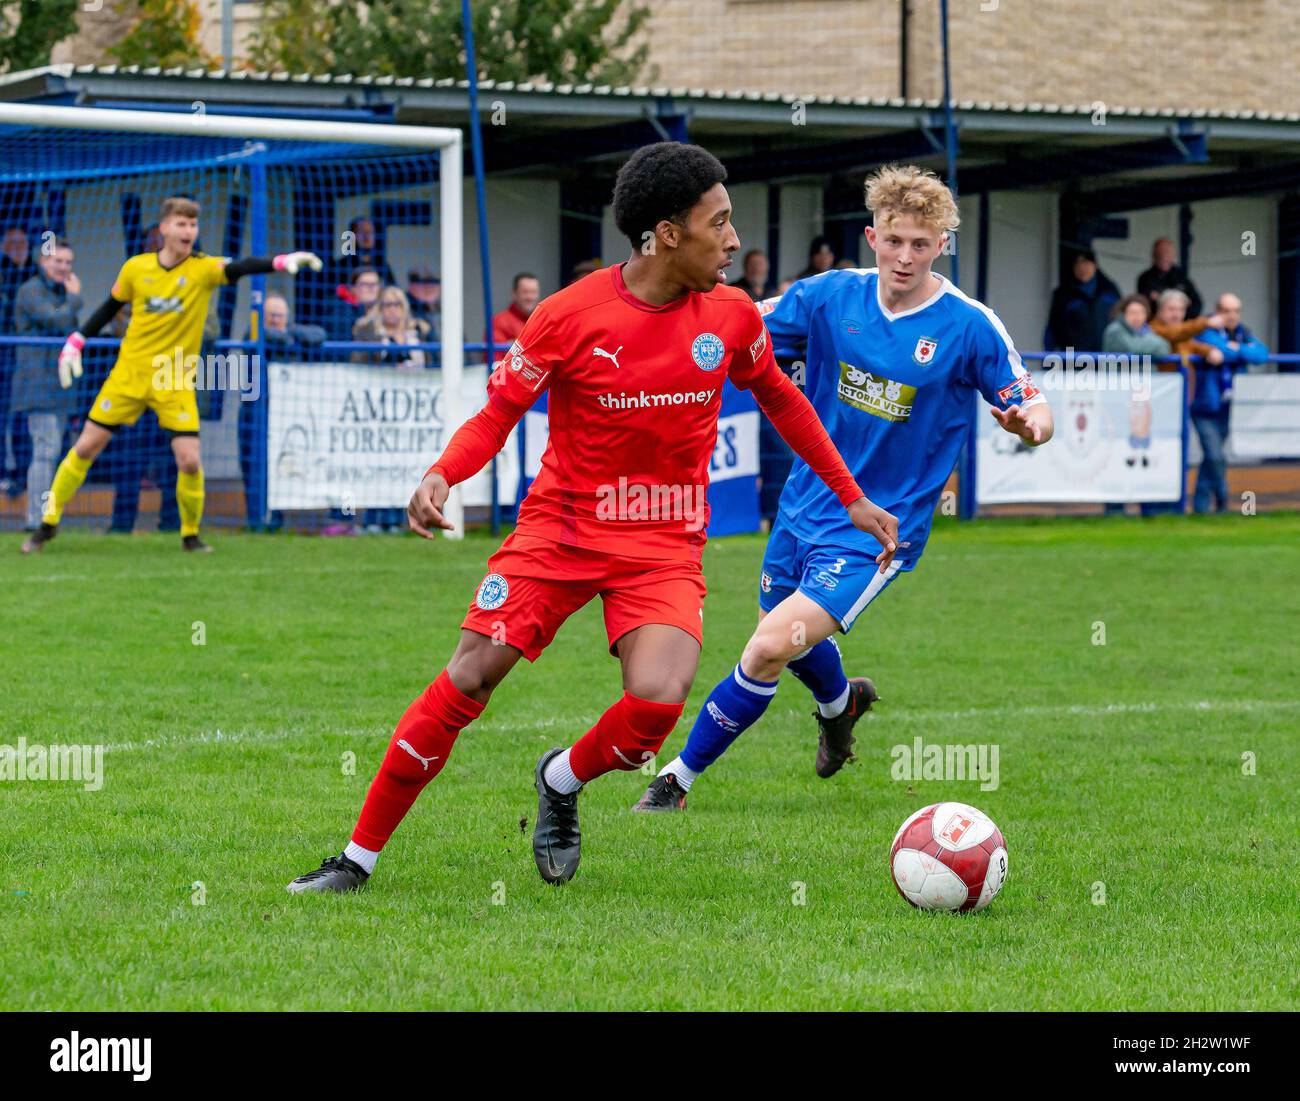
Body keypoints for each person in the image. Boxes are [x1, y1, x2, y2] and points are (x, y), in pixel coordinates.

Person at [286, 141, 897, 894]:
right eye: (720, 222)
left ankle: (561, 780)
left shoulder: (733, 316)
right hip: (561, 529)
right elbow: (498, 412)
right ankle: (356, 859)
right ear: (669, 232)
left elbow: (780, 396)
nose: (734, 240)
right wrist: (444, 471)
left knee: (655, 705)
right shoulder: (569, 316)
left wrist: (851, 493)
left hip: (663, 539)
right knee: (471, 675)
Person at [634, 163, 1054, 810]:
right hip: (802, 506)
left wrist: (1030, 425)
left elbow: (1034, 405)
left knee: (771, 643)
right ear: (872, 236)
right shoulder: (829, 297)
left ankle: (675, 781)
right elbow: (735, 325)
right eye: (894, 240)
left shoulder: (969, 325)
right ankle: (841, 703)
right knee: (793, 641)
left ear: (941, 244)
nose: (905, 256)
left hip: (877, 529)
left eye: (921, 243)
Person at [20, 197, 321, 555]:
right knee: (85, 447)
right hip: (129, 375)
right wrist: (76, 341)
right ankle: (46, 525)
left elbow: (240, 267)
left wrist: (282, 262)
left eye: (193, 225)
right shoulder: (136, 268)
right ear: (164, 229)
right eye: (181, 224)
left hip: (173, 380)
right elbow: (109, 307)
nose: (188, 232)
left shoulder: (203, 269)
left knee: (190, 460)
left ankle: (190, 536)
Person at [9, 238, 82, 531]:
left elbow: (70, 330)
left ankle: (47, 516)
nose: (63, 267)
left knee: (55, 452)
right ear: (43, 261)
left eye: (68, 262)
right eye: (58, 261)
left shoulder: (61, 292)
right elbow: (55, 320)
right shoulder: (30, 291)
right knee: (44, 451)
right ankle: (35, 519)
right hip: (36, 387)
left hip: (61, 386)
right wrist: (75, 298)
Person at [1191, 292, 1269, 513]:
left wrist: (1237, 350)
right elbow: (1222, 350)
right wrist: (1238, 351)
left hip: (1229, 407)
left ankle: (1201, 508)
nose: (1232, 315)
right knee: (1215, 455)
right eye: (1226, 311)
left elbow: (1262, 355)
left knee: (1210, 459)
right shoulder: (1205, 330)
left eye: (1236, 310)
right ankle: (1223, 499)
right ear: (1217, 311)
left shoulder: (1243, 332)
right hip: (1205, 406)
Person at [1044, 248, 1121, 351]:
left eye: (1086, 263)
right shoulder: (1062, 294)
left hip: (1106, 356)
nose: (1082, 268)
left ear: (1095, 265)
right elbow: (1052, 329)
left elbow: (1121, 322)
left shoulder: (1110, 291)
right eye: (1077, 264)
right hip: (1072, 358)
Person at [351, 285, 430, 370]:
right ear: (380, 308)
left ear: (404, 307)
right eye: (388, 305)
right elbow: (358, 364)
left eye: (397, 304)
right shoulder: (367, 331)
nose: (392, 309)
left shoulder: (419, 329)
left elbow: (434, 361)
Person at [1138, 237, 1202, 319]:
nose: (1164, 256)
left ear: (1173, 256)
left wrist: (1179, 314)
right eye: (1160, 253)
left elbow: (1197, 304)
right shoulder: (1145, 278)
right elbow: (1144, 306)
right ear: (1153, 255)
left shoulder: (1181, 277)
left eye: (1167, 253)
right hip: (1155, 325)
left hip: (1181, 325)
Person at [327, 267, 381, 341]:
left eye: (374, 284)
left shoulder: (385, 310)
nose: (371, 288)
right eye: (365, 284)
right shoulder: (341, 313)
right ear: (353, 288)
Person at [491, 272, 540, 349]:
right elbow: (495, 357)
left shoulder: (542, 321)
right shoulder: (499, 322)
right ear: (514, 293)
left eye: (533, 292)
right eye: (525, 292)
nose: (530, 297)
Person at [406, 267, 441, 342]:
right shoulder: (407, 308)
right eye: (424, 282)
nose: (429, 287)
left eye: (434, 282)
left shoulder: (446, 309)